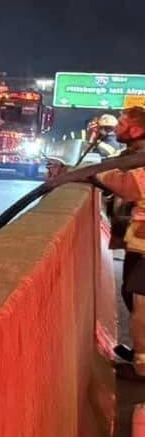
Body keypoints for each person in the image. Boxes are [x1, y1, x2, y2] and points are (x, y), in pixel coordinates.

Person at [93, 106, 145, 380]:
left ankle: (143, 367)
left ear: (136, 129)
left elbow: (129, 186)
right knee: (131, 295)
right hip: (138, 243)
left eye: (122, 123)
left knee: (143, 306)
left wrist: (96, 174)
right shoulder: (133, 154)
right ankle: (138, 354)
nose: (116, 128)